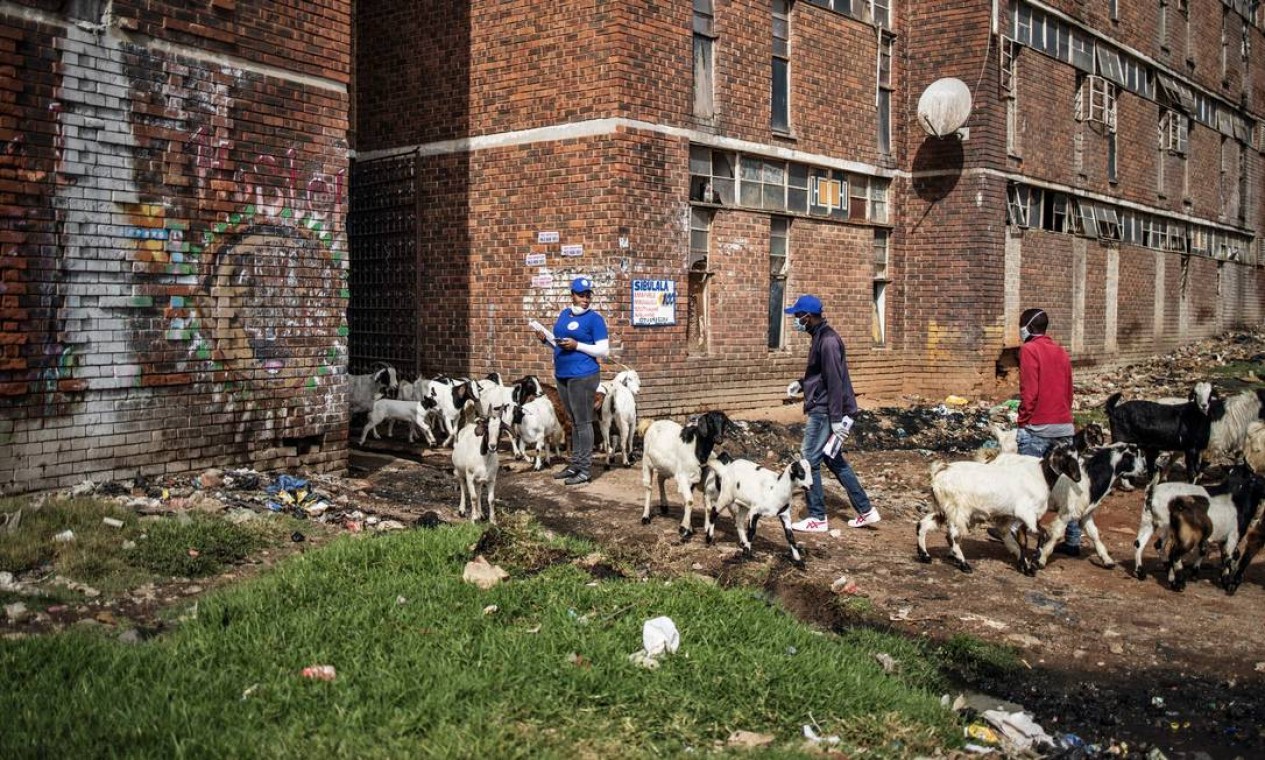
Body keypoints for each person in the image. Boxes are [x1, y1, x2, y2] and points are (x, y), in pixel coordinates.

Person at [783, 294, 880, 533]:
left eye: (798, 316)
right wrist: (802, 384)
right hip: (826, 406)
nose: (796, 320)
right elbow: (821, 375)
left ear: (808, 316)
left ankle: (817, 516)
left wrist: (836, 418)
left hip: (826, 410)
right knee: (832, 458)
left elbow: (835, 381)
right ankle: (866, 510)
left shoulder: (827, 341)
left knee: (809, 459)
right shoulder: (820, 337)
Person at [990, 308, 1080, 554]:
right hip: (1064, 425)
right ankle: (1073, 540)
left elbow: (1030, 390)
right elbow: (1069, 390)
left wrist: (1023, 419)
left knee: (1028, 484)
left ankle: (1021, 532)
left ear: (1028, 326)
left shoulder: (1029, 350)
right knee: (1067, 484)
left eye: (1020, 324)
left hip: (1038, 426)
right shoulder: (1061, 351)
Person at [535, 276, 609, 486]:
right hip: (563, 374)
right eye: (581, 295)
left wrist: (577, 345)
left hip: (583, 375)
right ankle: (575, 463)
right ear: (572, 295)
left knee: (583, 421)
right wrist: (547, 341)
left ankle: (585, 469)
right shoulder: (564, 314)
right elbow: (561, 344)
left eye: (588, 295)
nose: (585, 298)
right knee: (573, 420)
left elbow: (603, 350)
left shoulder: (595, 319)